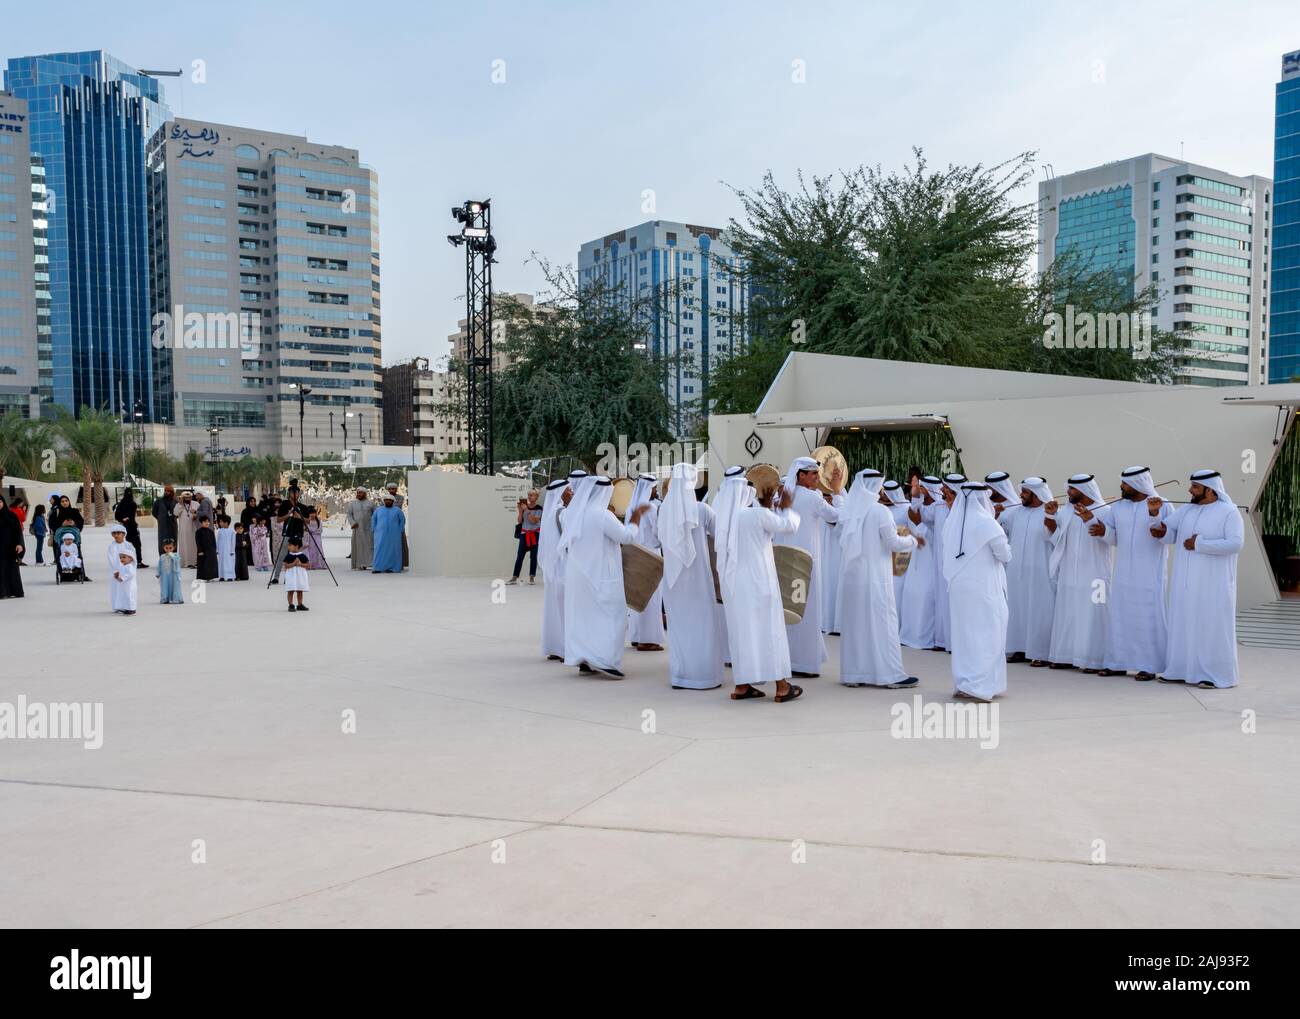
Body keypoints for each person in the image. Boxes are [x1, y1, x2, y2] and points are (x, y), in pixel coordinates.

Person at [717, 469, 803, 703]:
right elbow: (788, 526)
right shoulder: (754, 515)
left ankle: (743, 685)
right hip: (760, 582)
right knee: (769, 631)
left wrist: (766, 505)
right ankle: (782, 686)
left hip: (735, 586)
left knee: (743, 634)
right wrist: (786, 505)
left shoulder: (725, 517)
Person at [1152, 469, 1242, 689]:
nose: (1189, 490)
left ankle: (1214, 674)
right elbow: (1169, 532)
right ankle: (1178, 670)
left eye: (1194, 486)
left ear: (1209, 489)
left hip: (1214, 584)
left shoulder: (1229, 512)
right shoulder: (1186, 510)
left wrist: (1200, 544)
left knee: (1210, 626)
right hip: (1185, 582)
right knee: (1183, 623)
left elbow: (1236, 544)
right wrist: (1157, 521)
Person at [837, 469, 919, 689]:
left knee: (856, 625)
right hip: (875, 578)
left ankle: (854, 674)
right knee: (883, 624)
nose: (882, 490)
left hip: (853, 577)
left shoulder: (849, 509)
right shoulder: (880, 511)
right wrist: (912, 541)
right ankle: (890, 675)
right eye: (880, 486)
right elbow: (893, 542)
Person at [562, 476, 650, 678]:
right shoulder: (601, 515)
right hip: (601, 575)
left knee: (584, 617)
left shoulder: (572, 513)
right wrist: (636, 517)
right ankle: (606, 660)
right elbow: (626, 537)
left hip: (578, 575)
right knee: (611, 617)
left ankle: (584, 659)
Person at [1098, 466, 1172, 680]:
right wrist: (1102, 531)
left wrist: (1155, 515)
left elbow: (1168, 536)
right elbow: (1113, 538)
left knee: (1147, 618)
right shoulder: (1118, 508)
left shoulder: (1162, 504)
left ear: (1138, 484)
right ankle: (1116, 663)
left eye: (1125, 484)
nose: (1121, 487)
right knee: (1120, 617)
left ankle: (1149, 665)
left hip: (1150, 573)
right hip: (1123, 572)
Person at [657, 463, 726, 690]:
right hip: (699, 579)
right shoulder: (702, 510)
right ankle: (704, 676)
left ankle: (681, 675)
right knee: (703, 624)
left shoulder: (663, 510)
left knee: (680, 626)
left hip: (674, 580)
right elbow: (721, 536)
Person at [774, 455, 843, 677]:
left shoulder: (783, 496)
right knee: (808, 610)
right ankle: (805, 663)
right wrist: (838, 492)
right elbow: (837, 516)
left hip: (785, 561)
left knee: (790, 610)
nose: (816, 478)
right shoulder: (812, 498)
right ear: (801, 476)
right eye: (813, 474)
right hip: (806, 563)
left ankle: (791, 659)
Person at [944, 483, 1012, 700]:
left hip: (960, 590)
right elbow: (1005, 555)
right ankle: (980, 685)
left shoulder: (952, 523)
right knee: (988, 634)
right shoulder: (988, 524)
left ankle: (965, 682)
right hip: (985, 590)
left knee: (965, 636)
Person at [1045, 473, 1112, 672]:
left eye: (1072, 489)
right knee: (1069, 613)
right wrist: (1050, 519)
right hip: (1069, 574)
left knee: (1093, 615)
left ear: (1084, 490)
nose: (1068, 492)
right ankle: (1064, 656)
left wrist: (1091, 520)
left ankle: (1092, 660)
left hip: (1096, 574)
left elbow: (1111, 539)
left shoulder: (1106, 511)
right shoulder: (1066, 513)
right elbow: (1058, 541)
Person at [1004, 478, 1057, 667]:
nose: (1021, 495)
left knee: (1039, 609)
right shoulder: (1015, 513)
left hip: (1041, 571)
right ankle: (1019, 648)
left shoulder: (1050, 513)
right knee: (1017, 608)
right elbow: (1004, 532)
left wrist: (1051, 519)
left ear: (1036, 494)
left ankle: (1040, 652)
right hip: (1016, 570)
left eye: (1025, 492)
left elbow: (1056, 538)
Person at [539, 473, 583, 661]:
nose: (572, 493)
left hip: (554, 569)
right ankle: (565, 649)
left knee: (554, 610)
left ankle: (555, 647)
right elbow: (571, 539)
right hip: (562, 568)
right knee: (565, 610)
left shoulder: (552, 513)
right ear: (560, 494)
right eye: (569, 491)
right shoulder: (561, 513)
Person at [899, 475, 941, 649]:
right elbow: (914, 516)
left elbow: (922, 523)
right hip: (917, 557)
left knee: (926, 595)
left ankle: (925, 637)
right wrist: (916, 497)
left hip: (932, 558)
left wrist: (916, 498)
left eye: (923, 488)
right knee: (911, 593)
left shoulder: (939, 507)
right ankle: (909, 635)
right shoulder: (920, 506)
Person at [625, 473, 665, 651]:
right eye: (654, 488)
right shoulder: (649, 507)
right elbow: (658, 533)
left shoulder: (630, 507)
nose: (655, 491)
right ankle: (647, 640)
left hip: (634, 553)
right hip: (650, 555)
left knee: (636, 597)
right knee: (651, 598)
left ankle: (636, 636)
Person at [931, 473, 967, 651]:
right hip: (940, 561)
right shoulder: (938, 507)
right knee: (942, 599)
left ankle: (956, 643)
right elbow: (918, 516)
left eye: (945, 487)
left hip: (958, 563)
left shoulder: (966, 508)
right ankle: (943, 640)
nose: (941, 490)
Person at [881, 480, 913, 618]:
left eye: (886, 494)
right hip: (883, 553)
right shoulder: (880, 508)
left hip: (901, 555)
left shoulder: (907, 508)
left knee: (897, 590)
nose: (883, 496)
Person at [508, 489, 543, 585]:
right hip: (524, 534)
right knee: (520, 556)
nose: (529, 496)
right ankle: (514, 577)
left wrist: (526, 510)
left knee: (533, 556)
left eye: (532, 495)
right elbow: (519, 521)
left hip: (535, 534)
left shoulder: (539, 508)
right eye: (528, 495)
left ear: (536, 497)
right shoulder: (524, 507)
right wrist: (520, 511)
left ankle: (532, 577)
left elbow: (534, 521)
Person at [371, 493, 405, 573]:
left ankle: (393, 568)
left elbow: (402, 521)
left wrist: (400, 530)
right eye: (386, 500)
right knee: (379, 550)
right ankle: (377, 568)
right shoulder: (378, 510)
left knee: (394, 550)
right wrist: (374, 529)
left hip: (394, 535)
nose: (388, 502)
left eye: (389, 500)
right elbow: (373, 520)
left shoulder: (398, 510)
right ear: (384, 501)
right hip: (380, 534)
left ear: (393, 501)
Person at [113, 487, 145, 567]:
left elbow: (117, 516)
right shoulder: (132, 504)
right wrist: (127, 519)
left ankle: (126, 561)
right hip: (132, 527)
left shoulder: (121, 504)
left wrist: (123, 519)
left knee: (126, 545)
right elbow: (131, 516)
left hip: (124, 528)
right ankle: (138, 561)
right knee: (137, 545)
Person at [0, 494, 24, 598]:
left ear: (3, 502)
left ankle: (11, 591)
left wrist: (19, 544)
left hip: (10, 547)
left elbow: (18, 531)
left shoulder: (11, 515)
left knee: (10, 568)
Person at [345, 488, 374, 571]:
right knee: (359, 546)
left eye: (360, 492)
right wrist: (353, 523)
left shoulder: (370, 503)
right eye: (357, 492)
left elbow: (376, 514)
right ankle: (360, 564)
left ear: (365, 493)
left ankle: (370, 563)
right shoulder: (352, 504)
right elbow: (349, 514)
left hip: (369, 528)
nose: (358, 494)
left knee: (369, 546)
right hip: (357, 529)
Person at [384, 482, 409, 570]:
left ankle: (400, 562)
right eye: (389, 489)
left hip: (397, 523)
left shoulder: (400, 498)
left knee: (399, 543)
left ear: (396, 489)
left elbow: (396, 507)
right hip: (387, 524)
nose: (391, 490)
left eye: (393, 489)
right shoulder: (384, 497)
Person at [110, 541, 138, 616]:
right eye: (120, 557)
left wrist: (121, 578)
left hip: (129, 585)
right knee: (125, 596)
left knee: (129, 596)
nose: (122, 559)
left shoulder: (130, 567)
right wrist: (117, 577)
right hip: (124, 585)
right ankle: (126, 608)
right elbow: (121, 575)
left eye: (124, 557)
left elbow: (130, 574)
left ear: (131, 558)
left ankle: (131, 608)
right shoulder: (123, 566)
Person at [282, 539, 311, 612]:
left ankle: (300, 604)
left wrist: (301, 564)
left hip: (300, 576)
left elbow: (308, 565)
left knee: (299, 590)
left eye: (290, 545)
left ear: (296, 546)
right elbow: (286, 566)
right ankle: (291, 605)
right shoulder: (288, 556)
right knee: (290, 590)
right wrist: (294, 564)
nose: (288, 547)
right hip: (291, 576)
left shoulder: (302, 556)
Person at [174, 491, 199, 568]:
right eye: (185, 497)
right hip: (183, 530)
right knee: (184, 545)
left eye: (189, 497)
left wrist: (195, 515)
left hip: (193, 528)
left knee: (194, 545)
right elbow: (175, 513)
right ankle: (185, 563)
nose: (187, 498)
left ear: (191, 497)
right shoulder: (178, 505)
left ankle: (194, 562)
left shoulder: (196, 504)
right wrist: (181, 505)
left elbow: (200, 513)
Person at [152, 484, 179, 557]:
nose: (166, 492)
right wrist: (160, 518)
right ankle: (162, 556)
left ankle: (173, 556)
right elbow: (154, 512)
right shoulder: (159, 501)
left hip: (172, 524)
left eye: (168, 491)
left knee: (173, 540)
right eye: (165, 491)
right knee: (162, 540)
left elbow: (179, 512)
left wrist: (174, 517)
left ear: (172, 492)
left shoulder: (176, 501)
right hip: (163, 525)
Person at [156, 537, 184, 604]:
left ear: (173, 548)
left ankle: (176, 598)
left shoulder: (176, 555)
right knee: (165, 586)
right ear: (163, 547)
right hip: (165, 576)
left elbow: (177, 563)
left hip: (173, 575)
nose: (168, 550)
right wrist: (158, 573)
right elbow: (159, 565)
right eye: (166, 548)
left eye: (170, 548)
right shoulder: (162, 556)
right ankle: (165, 598)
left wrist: (172, 556)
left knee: (175, 586)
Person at [195, 516, 218, 582]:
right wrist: (200, 550)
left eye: (208, 522)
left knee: (211, 564)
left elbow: (214, 541)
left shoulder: (211, 531)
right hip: (203, 551)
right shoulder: (198, 532)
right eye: (205, 522)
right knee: (203, 564)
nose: (207, 523)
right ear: (201, 523)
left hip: (211, 551)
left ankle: (211, 577)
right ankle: (204, 577)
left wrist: (215, 550)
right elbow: (198, 542)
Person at [216, 515, 236, 581]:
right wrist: (217, 549)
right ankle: (222, 576)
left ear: (226, 522)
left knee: (229, 563)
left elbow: (233, 542)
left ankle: (229, 576)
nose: (220, 523)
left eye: (221, 522)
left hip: (229, 551)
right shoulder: (220, 531)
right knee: (221, 562)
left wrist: (232, 550)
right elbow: (218, 541)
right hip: (221, 550)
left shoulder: (232, 531)